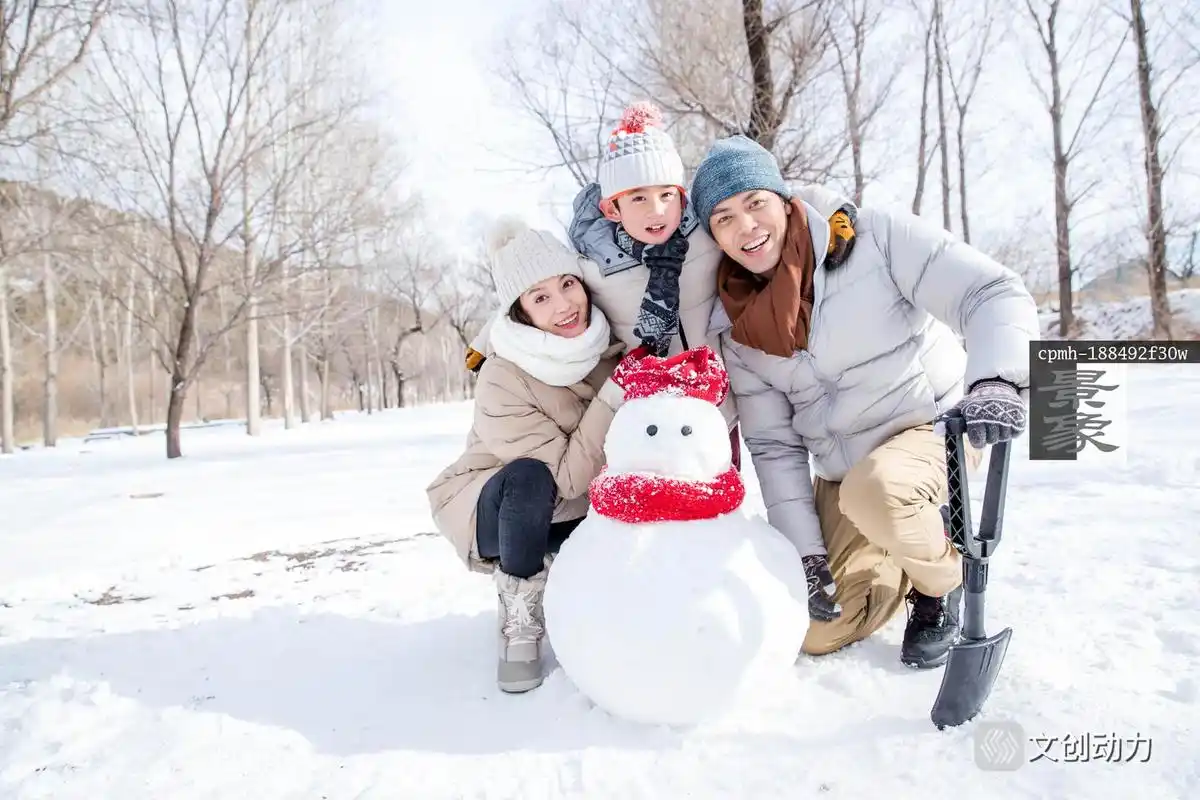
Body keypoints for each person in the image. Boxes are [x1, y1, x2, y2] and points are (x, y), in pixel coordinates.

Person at [691, 134, 1040, 668]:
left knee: (877, 491)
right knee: (813, 630)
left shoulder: (873, 237)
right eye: (723, 218)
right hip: (844, 476)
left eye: (755, 203)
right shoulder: (736, 326)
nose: (745, 228)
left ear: (784, 200)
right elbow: (774, 445)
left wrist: (996, 380)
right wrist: (807, 555)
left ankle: (940, 583)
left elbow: (990, 291)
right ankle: (906, 544)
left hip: (929, 436)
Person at [466, 101, 856, 473]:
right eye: (638, 198)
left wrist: (836, 209)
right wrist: (487, 341)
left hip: (717, 403)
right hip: (647, 414)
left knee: (721, 501)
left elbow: (776, 195)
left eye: (666, 195)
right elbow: (537, 287)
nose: (656, 211)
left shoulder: (703, 236)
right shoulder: (595, 265)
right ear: (612, 208)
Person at [426, 218, 640, 694]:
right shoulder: (503, 376)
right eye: (540, 297)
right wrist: (613, 395)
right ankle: (519, 613)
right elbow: (561, 480)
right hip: (501, 505)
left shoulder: (608, 346)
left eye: (568, 284)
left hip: (581, 505)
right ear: (520, 313)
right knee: (528, 477)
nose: (564, 305)